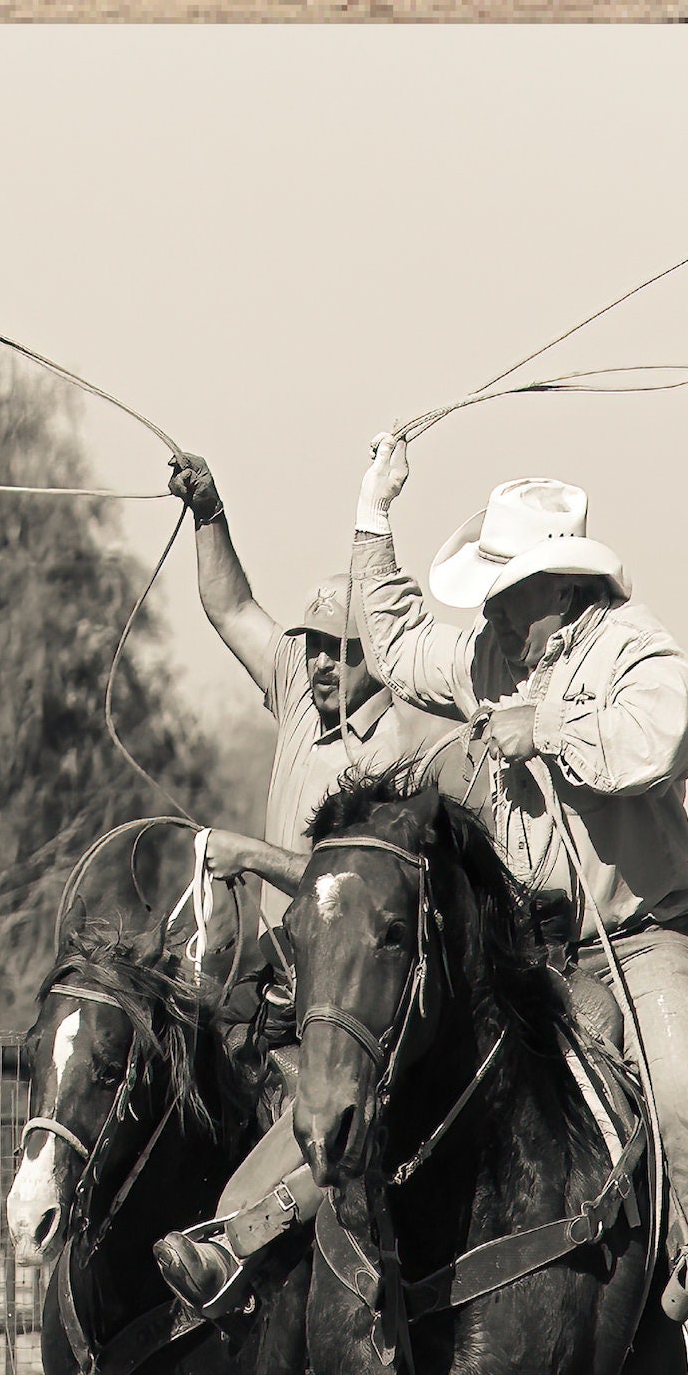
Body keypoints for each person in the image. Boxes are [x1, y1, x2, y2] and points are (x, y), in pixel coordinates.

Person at [335, 436, 688, 1375]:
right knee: (388, 1069)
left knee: (683, 1102)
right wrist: (374, 517)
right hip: (528, 956)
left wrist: (547, 729)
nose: (485, 610)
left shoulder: (642, 653)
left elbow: (651, 749)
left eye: (502, 590)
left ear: (554, 588)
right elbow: (400, 646)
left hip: (640, 944)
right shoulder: (495, 655)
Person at [143, 451, 447, 1316]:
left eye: (341, 651)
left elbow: (347, 889)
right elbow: (228, 605)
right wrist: (209, 514)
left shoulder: (397, 755)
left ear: (375, 659)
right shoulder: (293, 690)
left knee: (326, 1114)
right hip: (281, 960)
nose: (318, 664)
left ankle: (241, 1249)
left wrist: (251, 855)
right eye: (313, 646)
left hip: (348, 982)